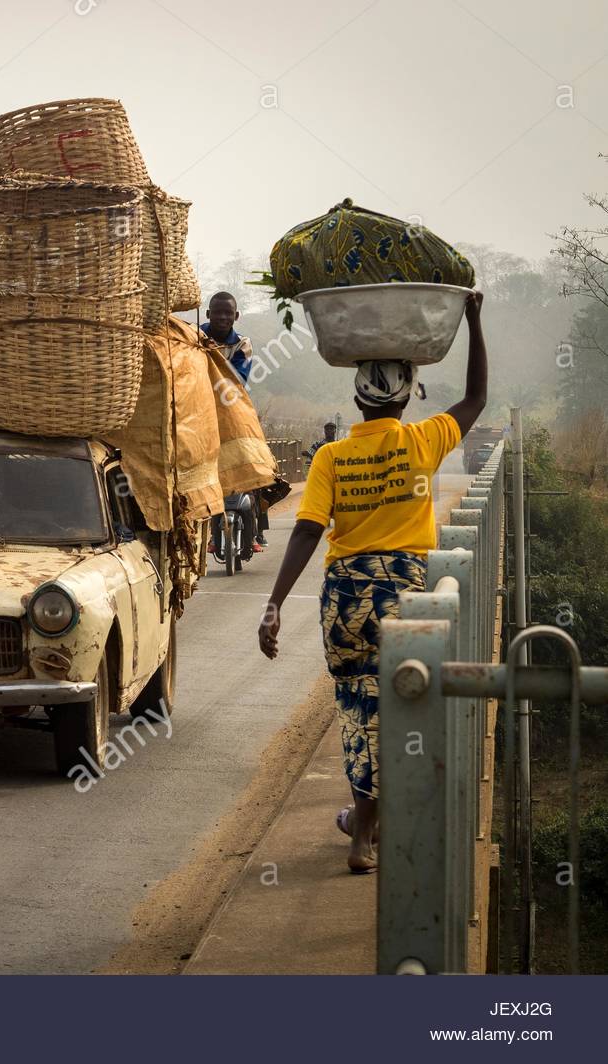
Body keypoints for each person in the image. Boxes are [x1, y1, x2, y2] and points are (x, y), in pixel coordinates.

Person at [256, 290, 487, 874]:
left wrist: (274, 604)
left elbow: (307, 531)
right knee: (400, 705)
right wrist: (474, 321)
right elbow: (476, 397)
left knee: (358, 709)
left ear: (357, 399)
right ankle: (371, 829)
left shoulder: (331, 457)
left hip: (344, 596)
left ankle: (363, 830)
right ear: (407, 396)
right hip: (402, 593)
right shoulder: (423, 439)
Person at [201, 291, 269, 550]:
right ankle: (208, 534)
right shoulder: (194, 335)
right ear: (208, 314)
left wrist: (208, 357)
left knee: (255, 464)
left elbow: (237, 379)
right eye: (217, 312)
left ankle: (255, 532)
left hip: (234, 410)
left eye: (228, 313)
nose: (222, 317)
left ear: (236, 316)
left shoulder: (242, 343)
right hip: (201, 410)